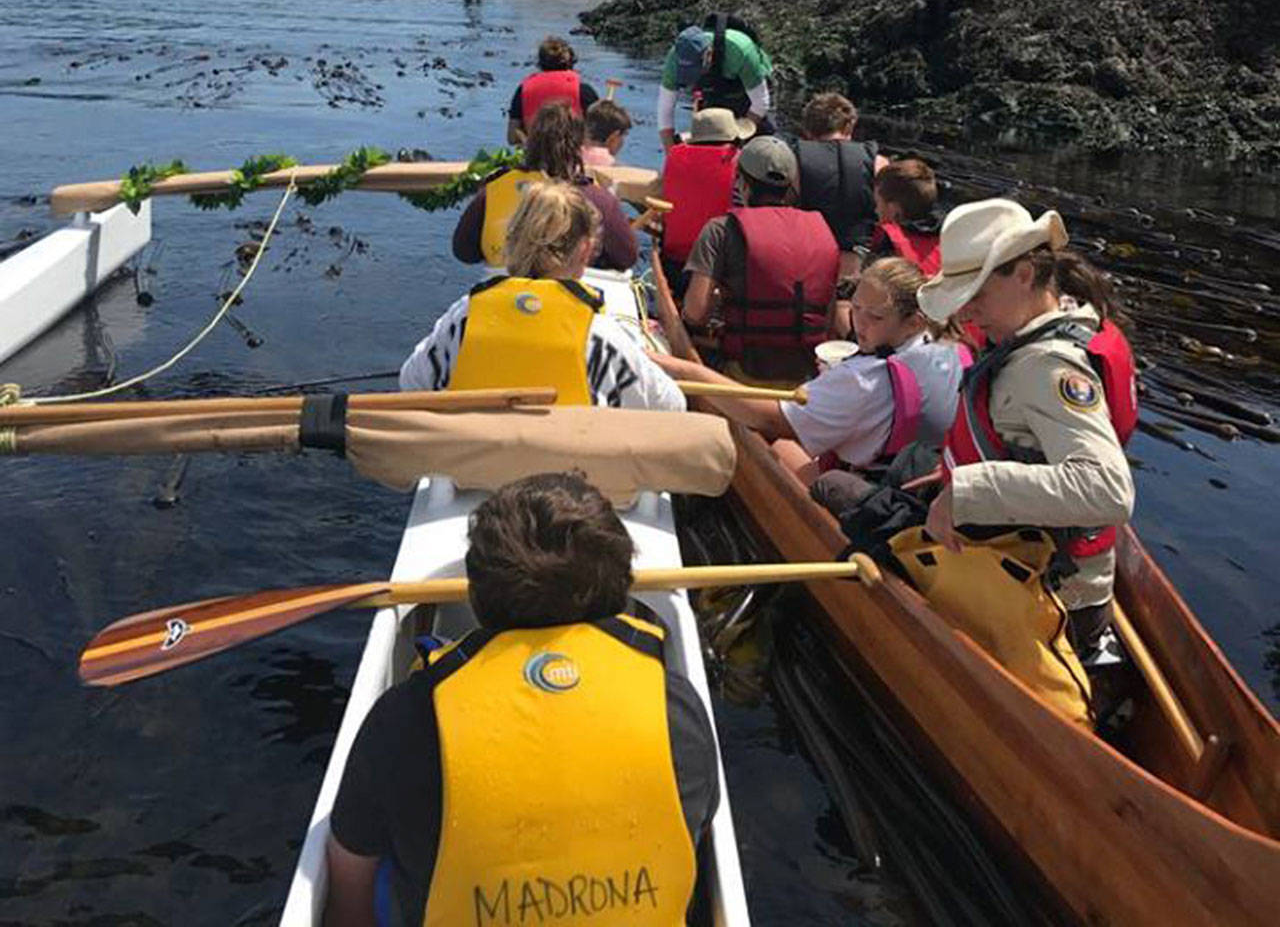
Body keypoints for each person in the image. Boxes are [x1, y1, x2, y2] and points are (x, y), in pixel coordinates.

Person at [323, 472, 720, 927]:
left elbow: (349, 885)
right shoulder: (677, 707)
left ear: (477, 598)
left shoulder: (405, 719)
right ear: (621, 589)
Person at [915, 197, 1137, 663]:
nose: (966, 313)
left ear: (1023, 273)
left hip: (1047, 600)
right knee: (912, 463)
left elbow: (1109, 489)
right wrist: (958, 475)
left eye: (977, 294)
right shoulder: (1064, 320)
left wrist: (965, 491)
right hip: (1054, 571)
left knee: (838, 491)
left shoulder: (1047, 367)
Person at [652, 258, 965, 497]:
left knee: (780, 447)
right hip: (921, 483)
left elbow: (768, 419)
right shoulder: (954, 350)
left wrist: (688, 370)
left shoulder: (864, 381)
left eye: (875, 316)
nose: (860, 323)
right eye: (856, 308)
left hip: (874, 490)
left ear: (913, 323)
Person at [413, 181, 682, 410]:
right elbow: (672, 405)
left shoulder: (464, 316)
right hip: (571, 455)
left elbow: (412, 381)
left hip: (477, 454)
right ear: (585, 250)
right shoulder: (599, 331)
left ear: (512, 239)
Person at [682, 136, 839, 385]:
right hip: (807, 376)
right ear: (791, 185)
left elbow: (695, 313)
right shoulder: (822, 229)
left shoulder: (720, 230)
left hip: (742, 373)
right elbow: (828, 318)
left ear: (742, 184)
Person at [453, 102, 638, 270]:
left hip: (502, 282)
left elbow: (464, 252)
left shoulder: (495, 188)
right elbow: (626, 257)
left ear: (530, 142)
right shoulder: (598, 199)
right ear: (578, 147)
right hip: (568, 288)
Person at [657, 106, 755, 289]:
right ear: (734, 139)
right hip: (719, 269)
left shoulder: (675, 156)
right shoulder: (739, 162)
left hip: (674, 263)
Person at [655, 13, 774, 150]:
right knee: (707, 141)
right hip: (712, 95)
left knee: (757, 148)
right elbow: (665, 112)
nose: (695, 78)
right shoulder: (674, 59)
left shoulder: (740, 51)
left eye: (696, 71)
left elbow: (760, 103)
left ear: (709, 55)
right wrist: (671, 154)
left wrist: (736, 142)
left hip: (748, 94)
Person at [793, 93, 887, 261]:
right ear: (849, 126)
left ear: (807, 129)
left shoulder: (794, 160)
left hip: (808, 254)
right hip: (860, 257)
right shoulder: (878, 163)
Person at [507, 35, 598, 145]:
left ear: (540, 63)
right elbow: (599, 133)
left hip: (535, 153)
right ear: (571, 61)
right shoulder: (584, 91)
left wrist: (527, 142)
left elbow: (512, 137)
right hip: (575, 153)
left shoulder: (523, 90)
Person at [866, 157, 943, 274]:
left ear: (894, 208)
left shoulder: (888, 241)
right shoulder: (948, 232)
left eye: (878, 202)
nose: (876, 209)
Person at [581, 99, 632, 168]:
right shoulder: (613, 166)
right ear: (614, 136)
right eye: (623, 136)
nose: (622, 142)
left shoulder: (571, 156)